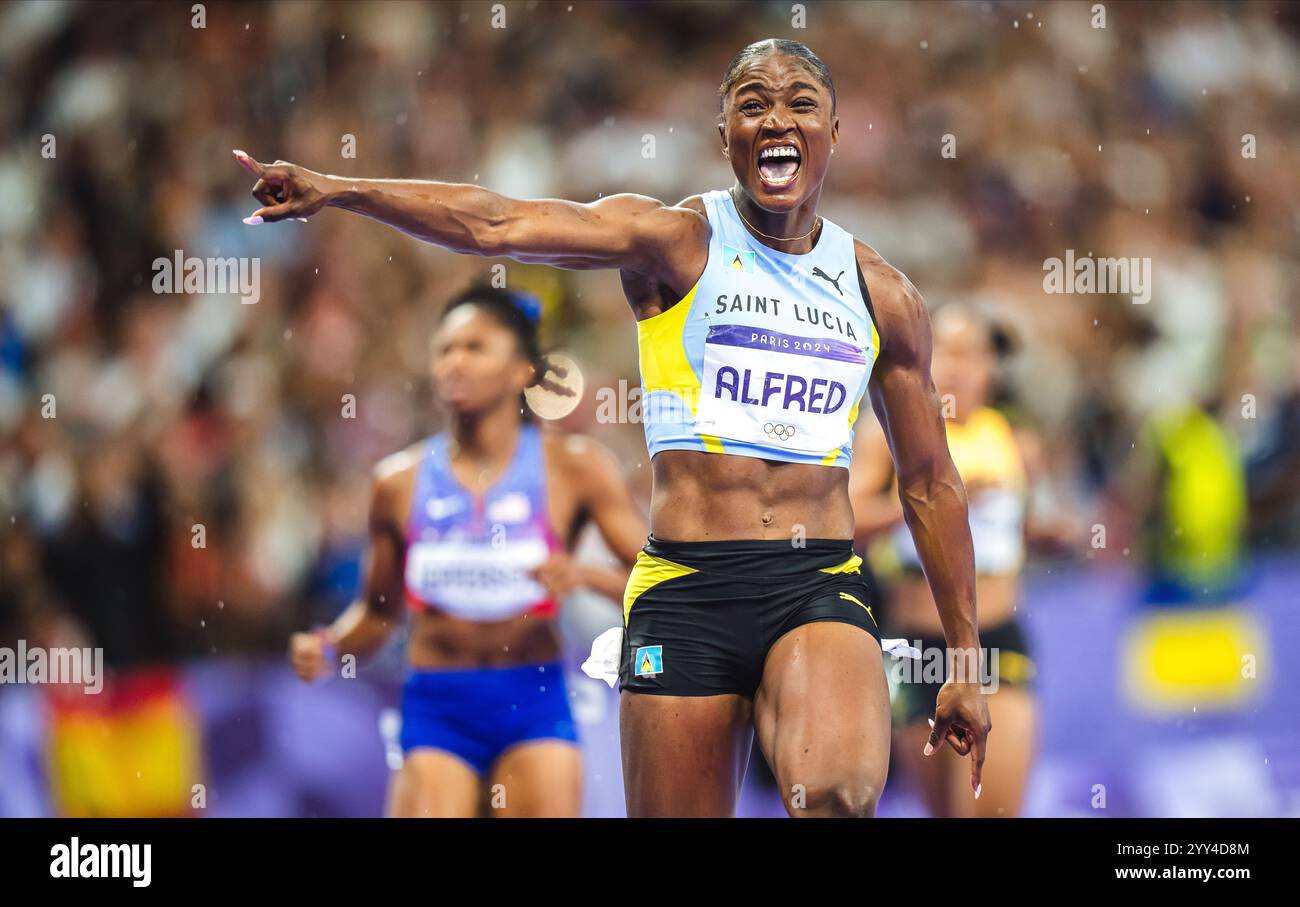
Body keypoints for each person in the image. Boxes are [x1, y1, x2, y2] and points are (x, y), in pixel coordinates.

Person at [244, 36, 989, 818]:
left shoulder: (882, 295)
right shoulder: (676, 242)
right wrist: (340, 190)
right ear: (724, 134)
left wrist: (964, 657)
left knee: (836, 793)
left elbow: (930, 481)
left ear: (834, 133)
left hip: (818, 582)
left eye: (801, 102)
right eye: (752, 103)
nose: (776, 117)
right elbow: (497, 223)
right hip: (684, 589)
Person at [289, 285, 646, 818]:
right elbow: (379, 613)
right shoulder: (397, 483)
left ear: (522, 369)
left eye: (475, 348)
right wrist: (330, 645)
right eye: (444, 350)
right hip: (437, 706)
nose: (454, 362)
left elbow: (659, 579)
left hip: (534, 702)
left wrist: (584, 576)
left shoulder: (575, 468)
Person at [851, 304, 1036, 817]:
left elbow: (1026, 529)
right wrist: (935, 498)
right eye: (948, 352)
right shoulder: (888, 431)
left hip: (994, 644)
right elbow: (846, 514)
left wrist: (1054, 534)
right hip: (918, 650)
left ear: (992, 371)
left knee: (987, 813)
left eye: (973, 355)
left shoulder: (1016, 441)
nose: (958, 367)